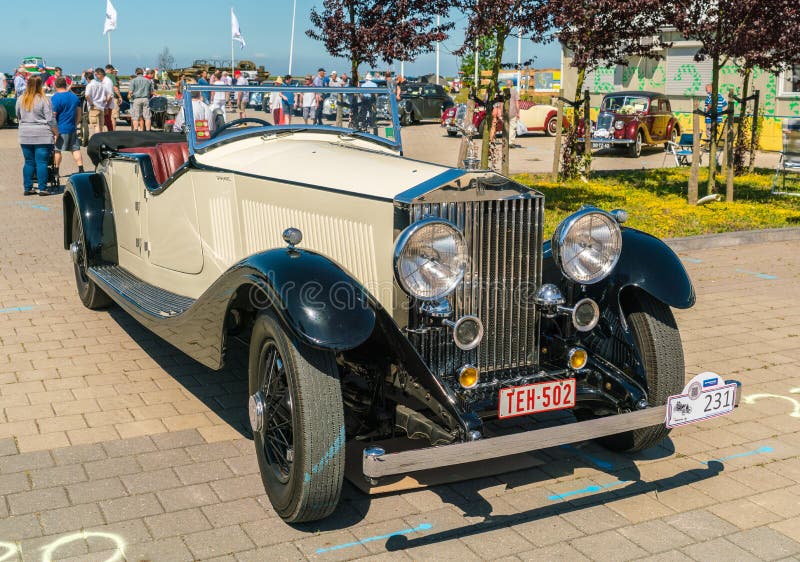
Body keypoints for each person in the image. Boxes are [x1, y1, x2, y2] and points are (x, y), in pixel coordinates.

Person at [16, 76, 57, 196]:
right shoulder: (44, 100)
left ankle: (28, 187)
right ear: (40, 85)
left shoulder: (21, 99)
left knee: (29, 162)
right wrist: (56, 132)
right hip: (42, 134)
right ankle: (43, 188)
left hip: (25, 134)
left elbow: (18, 115)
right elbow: (50, 119)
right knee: (42, 162)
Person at [51, 77, 84, 175]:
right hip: (71, 127)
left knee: (57, 150)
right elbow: (79, 113)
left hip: (60, 128)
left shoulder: (55, 98)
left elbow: (54, 115)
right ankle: (81, 168)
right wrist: (75, 123)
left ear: (55, 85)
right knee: (75, 149)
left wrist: (53, 129)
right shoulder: (74, 97)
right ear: (65, 85)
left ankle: (56, 171)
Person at [84, 69, 111, 136]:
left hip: (94, 107)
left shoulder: (89, 85)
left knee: (95, 126)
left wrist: (91, 104)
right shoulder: (101, 84)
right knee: (101, 126)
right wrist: (105, 103)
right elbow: (109, 95)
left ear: (87, 78)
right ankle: (101, 142)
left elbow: (87, 95)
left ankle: (97, 142)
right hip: (101, 107)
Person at [105, 65, 122, 130]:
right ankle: (113, 131)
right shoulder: (111, 76)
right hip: (113, 98)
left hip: (104, 99)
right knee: (113, 116)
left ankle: (108, 130)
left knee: (107, 116)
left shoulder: (103, 77)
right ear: (110, 70)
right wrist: (120, 97)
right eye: (112, 70)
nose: (113, 72)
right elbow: (115, 88)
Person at [506, 79, 521, 148]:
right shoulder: (515, 91)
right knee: (512, 127)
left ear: (506, 84)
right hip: (513, 112)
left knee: (506, 127)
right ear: (512, 84)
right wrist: (518, 112)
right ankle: (510, 142)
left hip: (505, 112)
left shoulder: (503, 92)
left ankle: (505, 140)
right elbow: (517, 103)